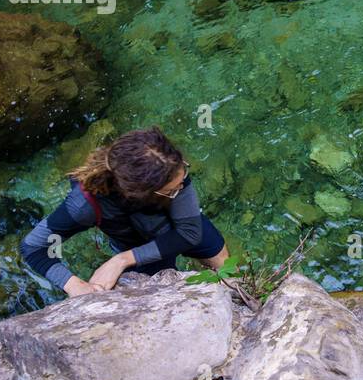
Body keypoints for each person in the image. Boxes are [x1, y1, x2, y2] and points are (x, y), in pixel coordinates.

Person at [21, 126, 229, 297]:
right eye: (172, 191)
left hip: (181, 228)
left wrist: (121, 260)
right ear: (140, 195)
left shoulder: (170, 167)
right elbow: (33, 247)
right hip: (140, 248)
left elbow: (190, 233)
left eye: (184, 172)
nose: (183, 185)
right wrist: (72, 284)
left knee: (229, 274)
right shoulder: (84, 205)